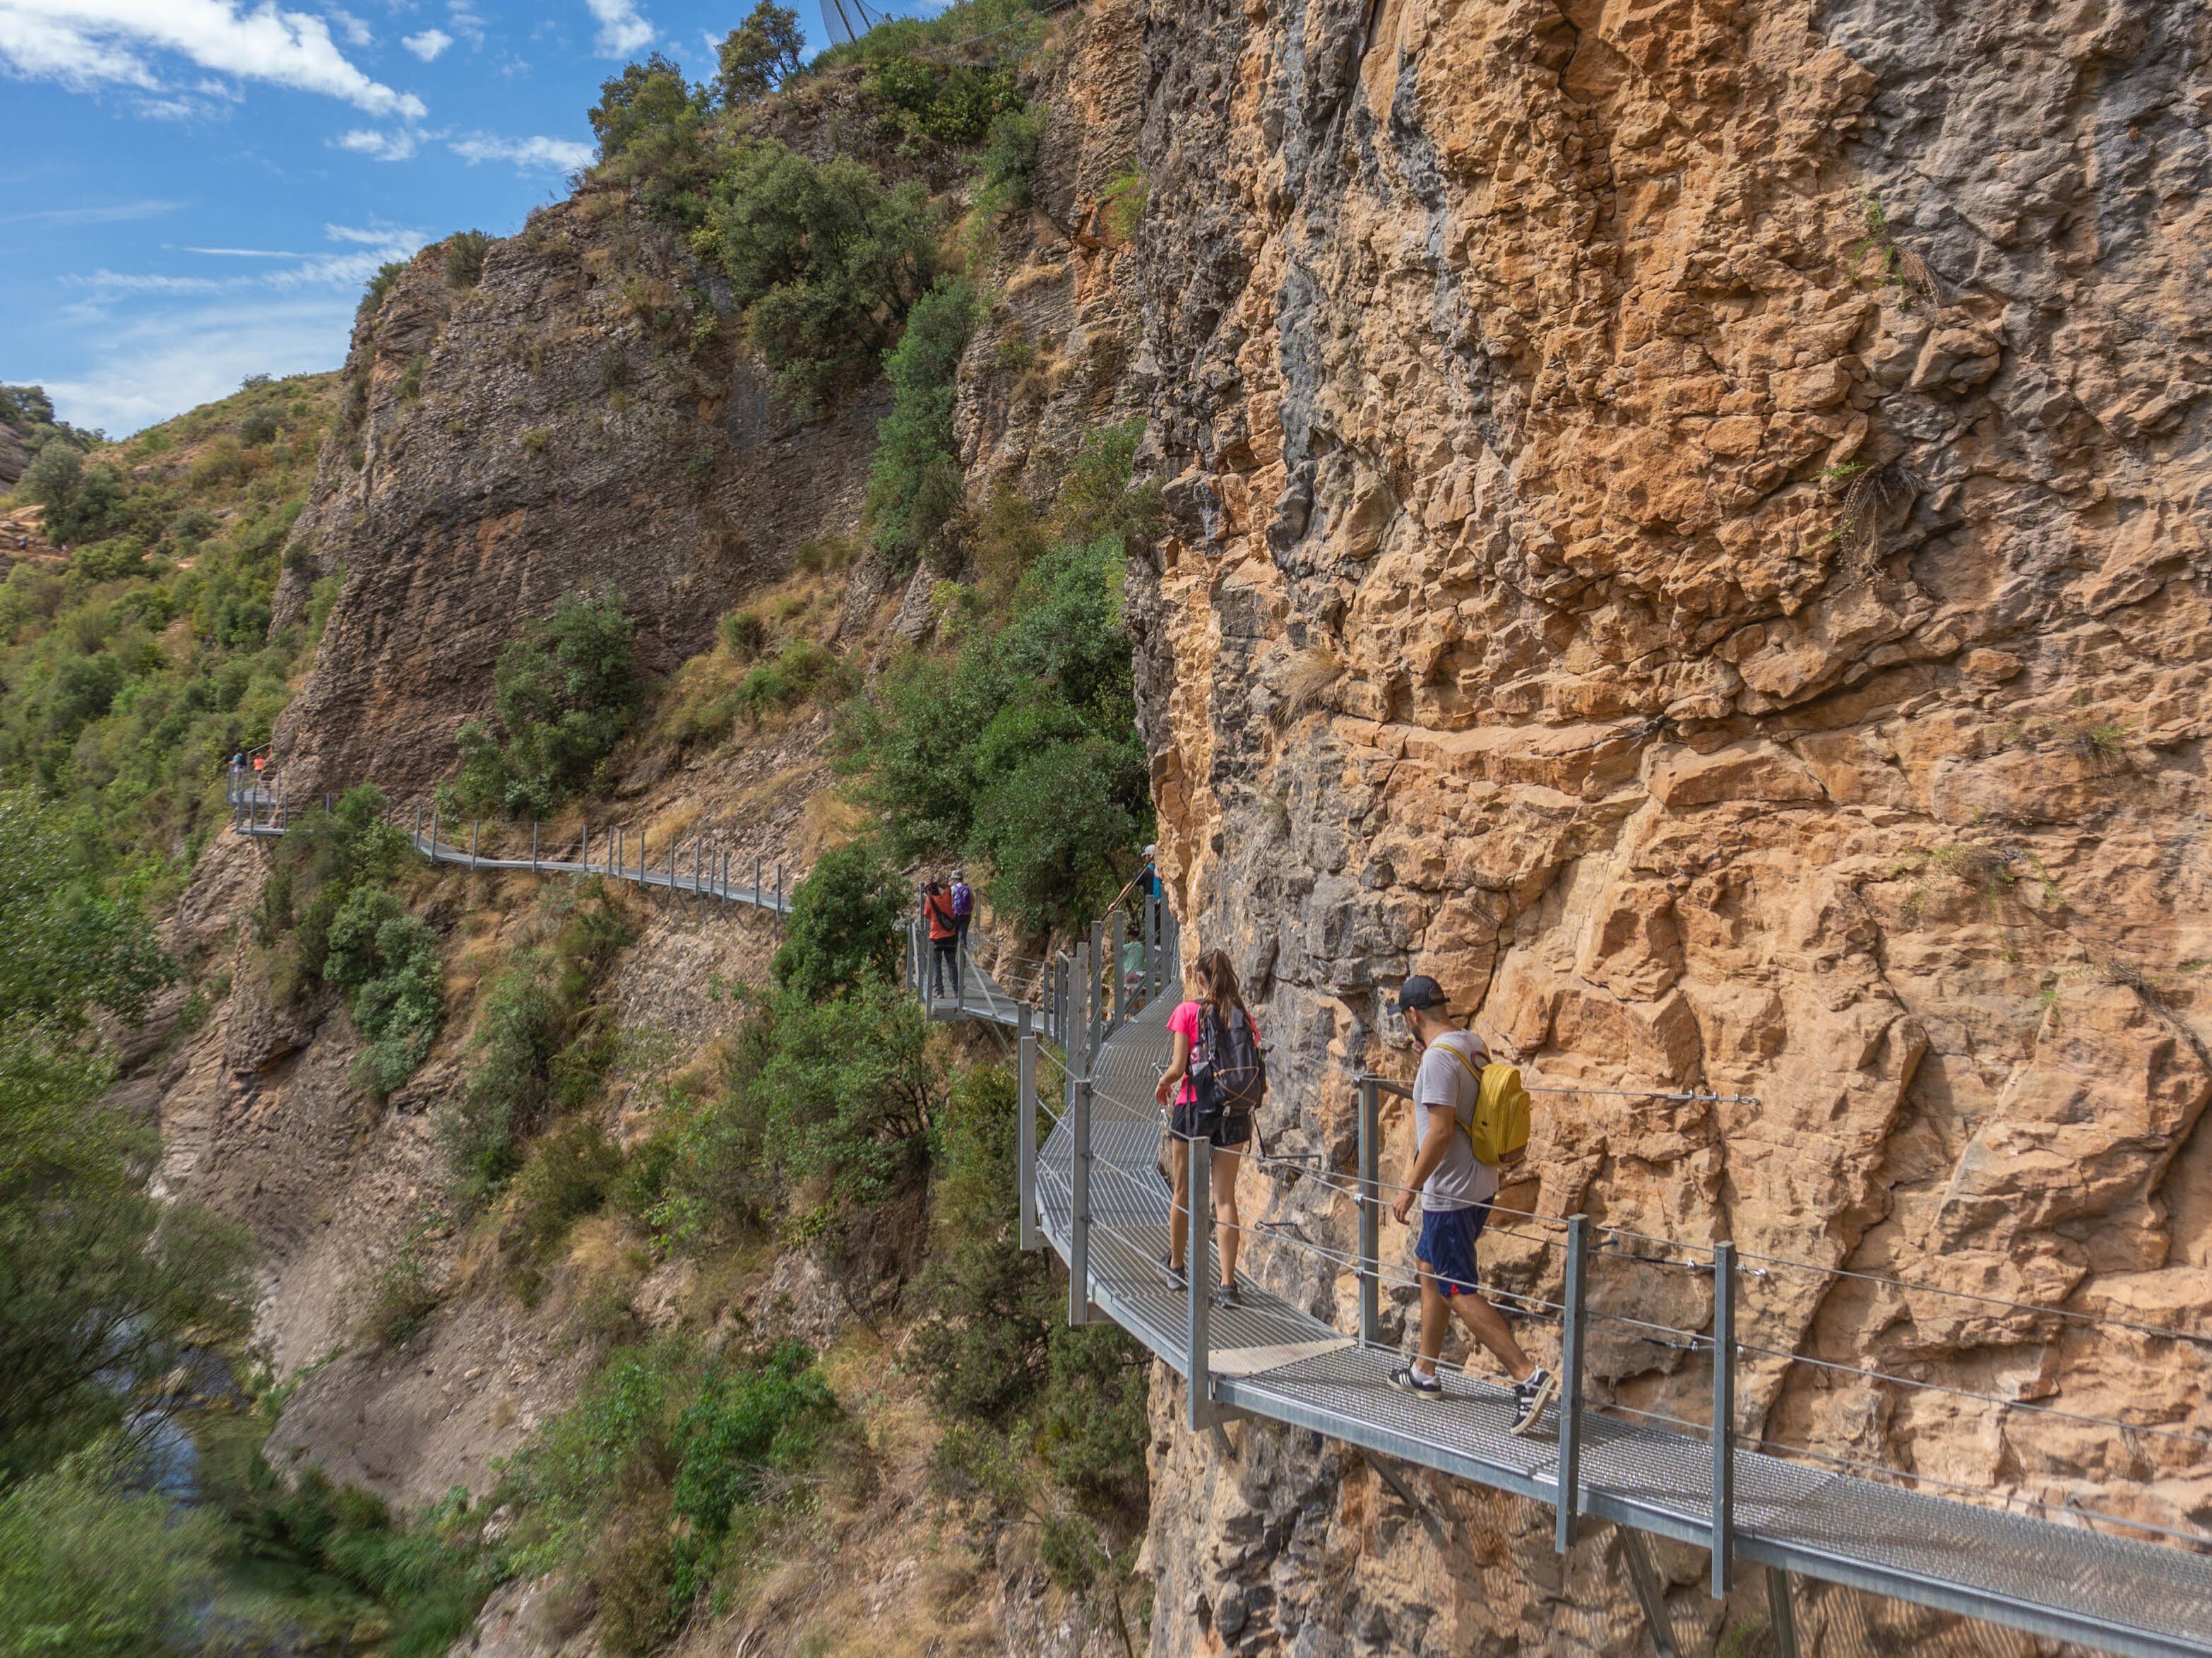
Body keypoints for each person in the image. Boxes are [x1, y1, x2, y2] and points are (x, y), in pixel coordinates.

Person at [1386, 974, 1555, 1434]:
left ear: (1413, 1016)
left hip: (1450, 1193)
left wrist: (1409, 1188)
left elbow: (1439, 1132)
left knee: (1457, 1288)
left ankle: (1528, 1376)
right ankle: (1424, 1371)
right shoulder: (1469, 1042)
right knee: (1428, 1261)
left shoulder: (1437, 1061)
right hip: (1481, 1181)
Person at [1153, 949, 1259, 1305]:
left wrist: (1162, 1085)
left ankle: (1177, 1267)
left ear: (1200, 978)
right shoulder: (1242, 1015)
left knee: (1182, 1192)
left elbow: (1179, 1067)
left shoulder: (1187, 1011)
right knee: (1225, 1197)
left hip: (1194, 1107)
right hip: (1235, 1112)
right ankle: (1228, 1285)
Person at [923, 878, 959, 1000]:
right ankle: (957, 991)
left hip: (936, 938)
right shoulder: (947, 896)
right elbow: (949, 887)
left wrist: (929, 896)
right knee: (951, 963)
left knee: (936, 964)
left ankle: (939, 992)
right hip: (950, 936)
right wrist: (939, 884)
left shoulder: (930, 900)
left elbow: (926, 914)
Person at [950, 869, 974, 965]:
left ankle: (953, 960)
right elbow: (973, 900)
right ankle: (963, 961)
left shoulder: (954, 888)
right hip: (967, 915)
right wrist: (969, 910)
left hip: (957, 915)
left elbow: (952, 902)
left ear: (955, 879)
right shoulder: (968, 887)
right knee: (963, 936)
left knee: (955, 936)